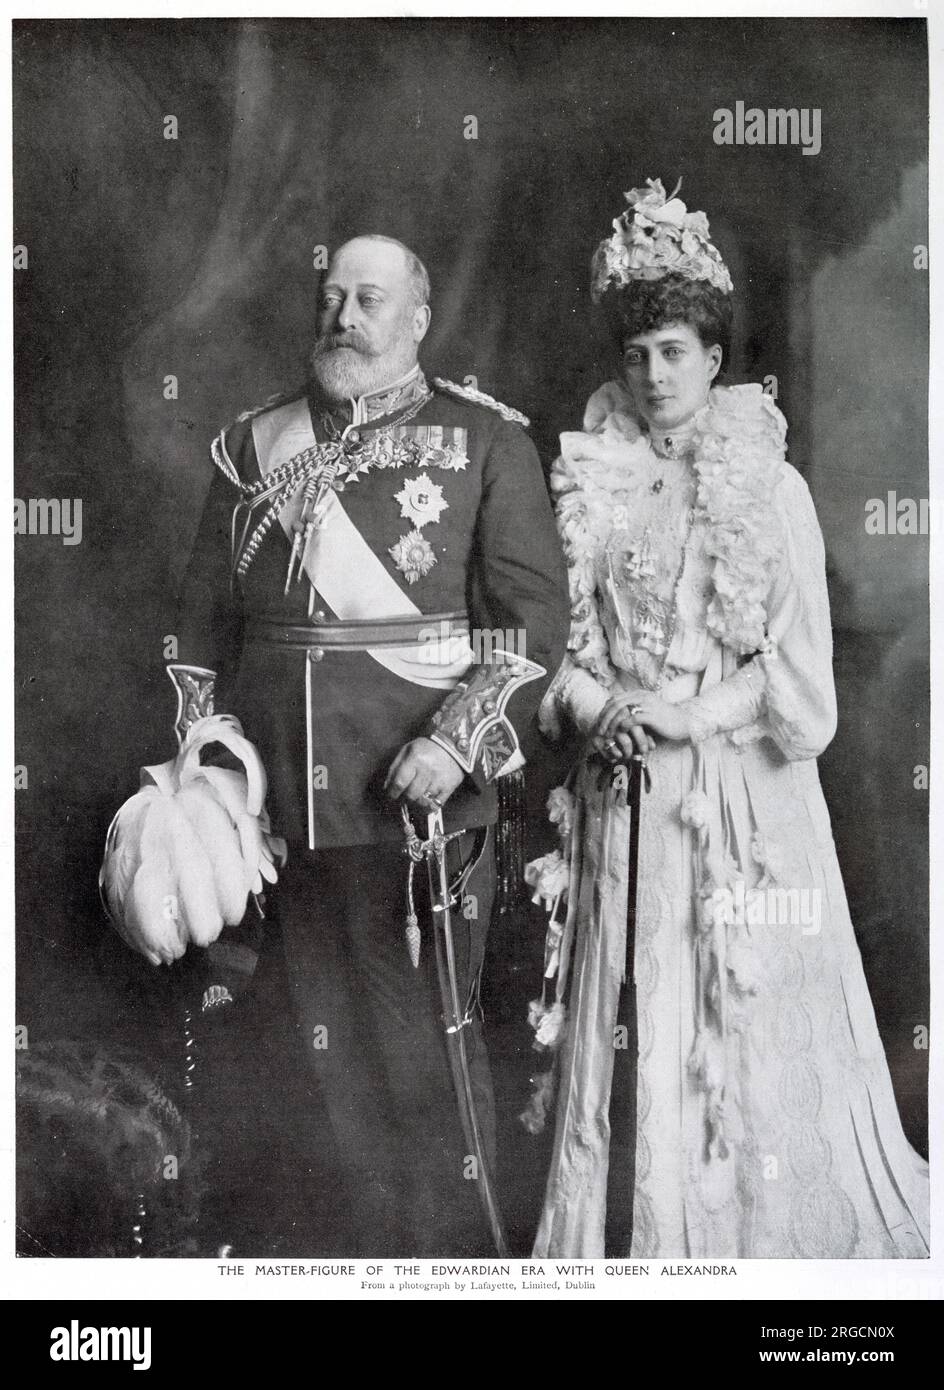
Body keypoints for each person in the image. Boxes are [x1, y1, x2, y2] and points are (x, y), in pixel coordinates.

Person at [526, 179, 930, 1259]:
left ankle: (743, 1254)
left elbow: (794, 682)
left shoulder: (771, 489)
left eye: (672, 351)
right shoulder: (592, 483)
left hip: (736, 805)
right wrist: (598, 705)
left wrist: (682, 711)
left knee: (730, 1026)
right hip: (621, 797)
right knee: (630, 1024)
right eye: (636, 355)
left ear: (712, 358)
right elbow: (561, 652)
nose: (652, 376)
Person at [170, 234, 570, 1255]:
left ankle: (452, 1262)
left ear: (417, 318)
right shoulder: (252, 442)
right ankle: (365, 1257)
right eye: (332, 295)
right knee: (323, 1058)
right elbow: (201, 626)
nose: (343, 315)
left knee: (422, 1052)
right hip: (286, 806)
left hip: (418, 799)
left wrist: (456, 739)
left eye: (369, 298)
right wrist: (209, 767)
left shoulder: (486, 442)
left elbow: (527, 630)